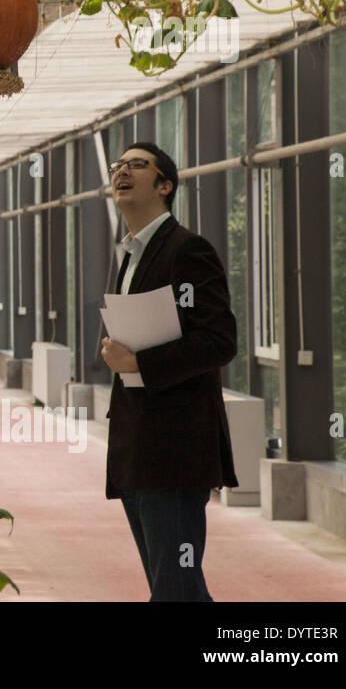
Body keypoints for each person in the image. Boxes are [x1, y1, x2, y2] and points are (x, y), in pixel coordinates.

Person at [100, 141, 239, 601]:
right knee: (176, 587)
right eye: (118, 165)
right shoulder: (129, 256)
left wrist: (139, 362)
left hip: (175, 451)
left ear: (165, 185)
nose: (122, 171)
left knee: (174, 588)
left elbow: (218, 341)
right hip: (138, 449)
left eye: (137, 165)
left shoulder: (188, 251)